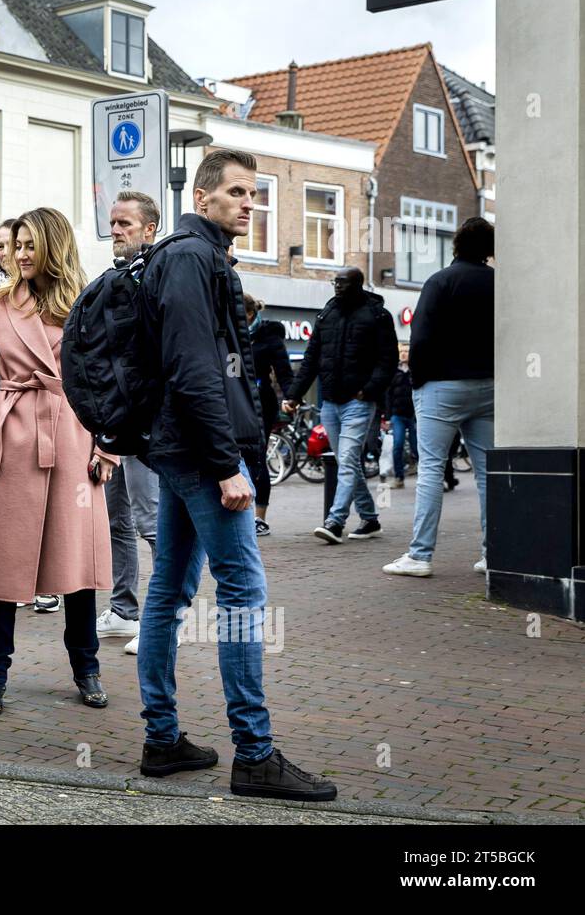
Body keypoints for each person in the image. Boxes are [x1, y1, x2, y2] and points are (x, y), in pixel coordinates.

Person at [135, 149, 336, 801]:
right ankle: (254, 753)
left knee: (168, 590)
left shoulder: (193, 256)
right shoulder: (192, 259)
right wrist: (227, 466)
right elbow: (196, 370)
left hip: (176, 447)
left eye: (253, 194)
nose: (250, 204)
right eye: (239, 193)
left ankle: (162, 740)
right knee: (243, 591)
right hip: (198, 453)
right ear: (203, 195)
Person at [0, 207, 116, 718]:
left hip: (73, 433)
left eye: (31, 244)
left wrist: (110, 444)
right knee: (6, 561)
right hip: (13, 434)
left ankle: (86, 667)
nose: (21, 254)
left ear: (54, 245)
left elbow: (107, 376)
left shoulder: (88, 300)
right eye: (17, 245)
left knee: (75, 562)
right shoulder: (2, 301)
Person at [384, 217, 495, 578]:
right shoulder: (499, 284)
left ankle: (419, 556)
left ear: (456, 246)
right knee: (486, 474)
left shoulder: (440, 281)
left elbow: (422, 335)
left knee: (431, 468)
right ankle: (493, 554)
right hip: (488, 385)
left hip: (442, 387)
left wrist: (417, 380)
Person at [282, 266, 396, 544]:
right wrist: (294, 395)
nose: (338, 287)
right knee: (348, 462)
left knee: (346, 460)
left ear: (358, 284)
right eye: (335, 282)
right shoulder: (327, 313)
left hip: (358, 401)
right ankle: (369, 518)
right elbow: (311, 359)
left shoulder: (378, 316)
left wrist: (368, 391)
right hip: (330, 403)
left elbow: (387, 361)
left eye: (343, 283)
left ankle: (335, 521)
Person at [97, 192, 161, 646]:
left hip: (146, 424)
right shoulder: (114, 279)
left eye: (126, 224)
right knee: (115, 519)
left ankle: (161, 623)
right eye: (113, 223)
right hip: (113, 422)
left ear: (149, 229)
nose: (116, 230)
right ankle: (123, 609)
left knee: (153, 523)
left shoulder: (158, 276)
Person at [244, 294, 293, 536]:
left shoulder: (268, 336)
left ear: (250, 314)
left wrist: (291, 396)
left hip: (261, 401)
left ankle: (259, 518)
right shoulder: (226, 330)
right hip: (232, 401)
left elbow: (283, 369)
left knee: (256, 457)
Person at [384, 342, 418, 489]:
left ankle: (425, 477)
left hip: (413, 416)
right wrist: (387, 416)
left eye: (406, 351)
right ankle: (399, 478)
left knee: (417, 448)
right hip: (397, 416)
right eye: (401, 351)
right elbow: (388, 396)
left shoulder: (415, 371)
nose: (404, 353)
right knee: (397, 445)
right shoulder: (394, 372)